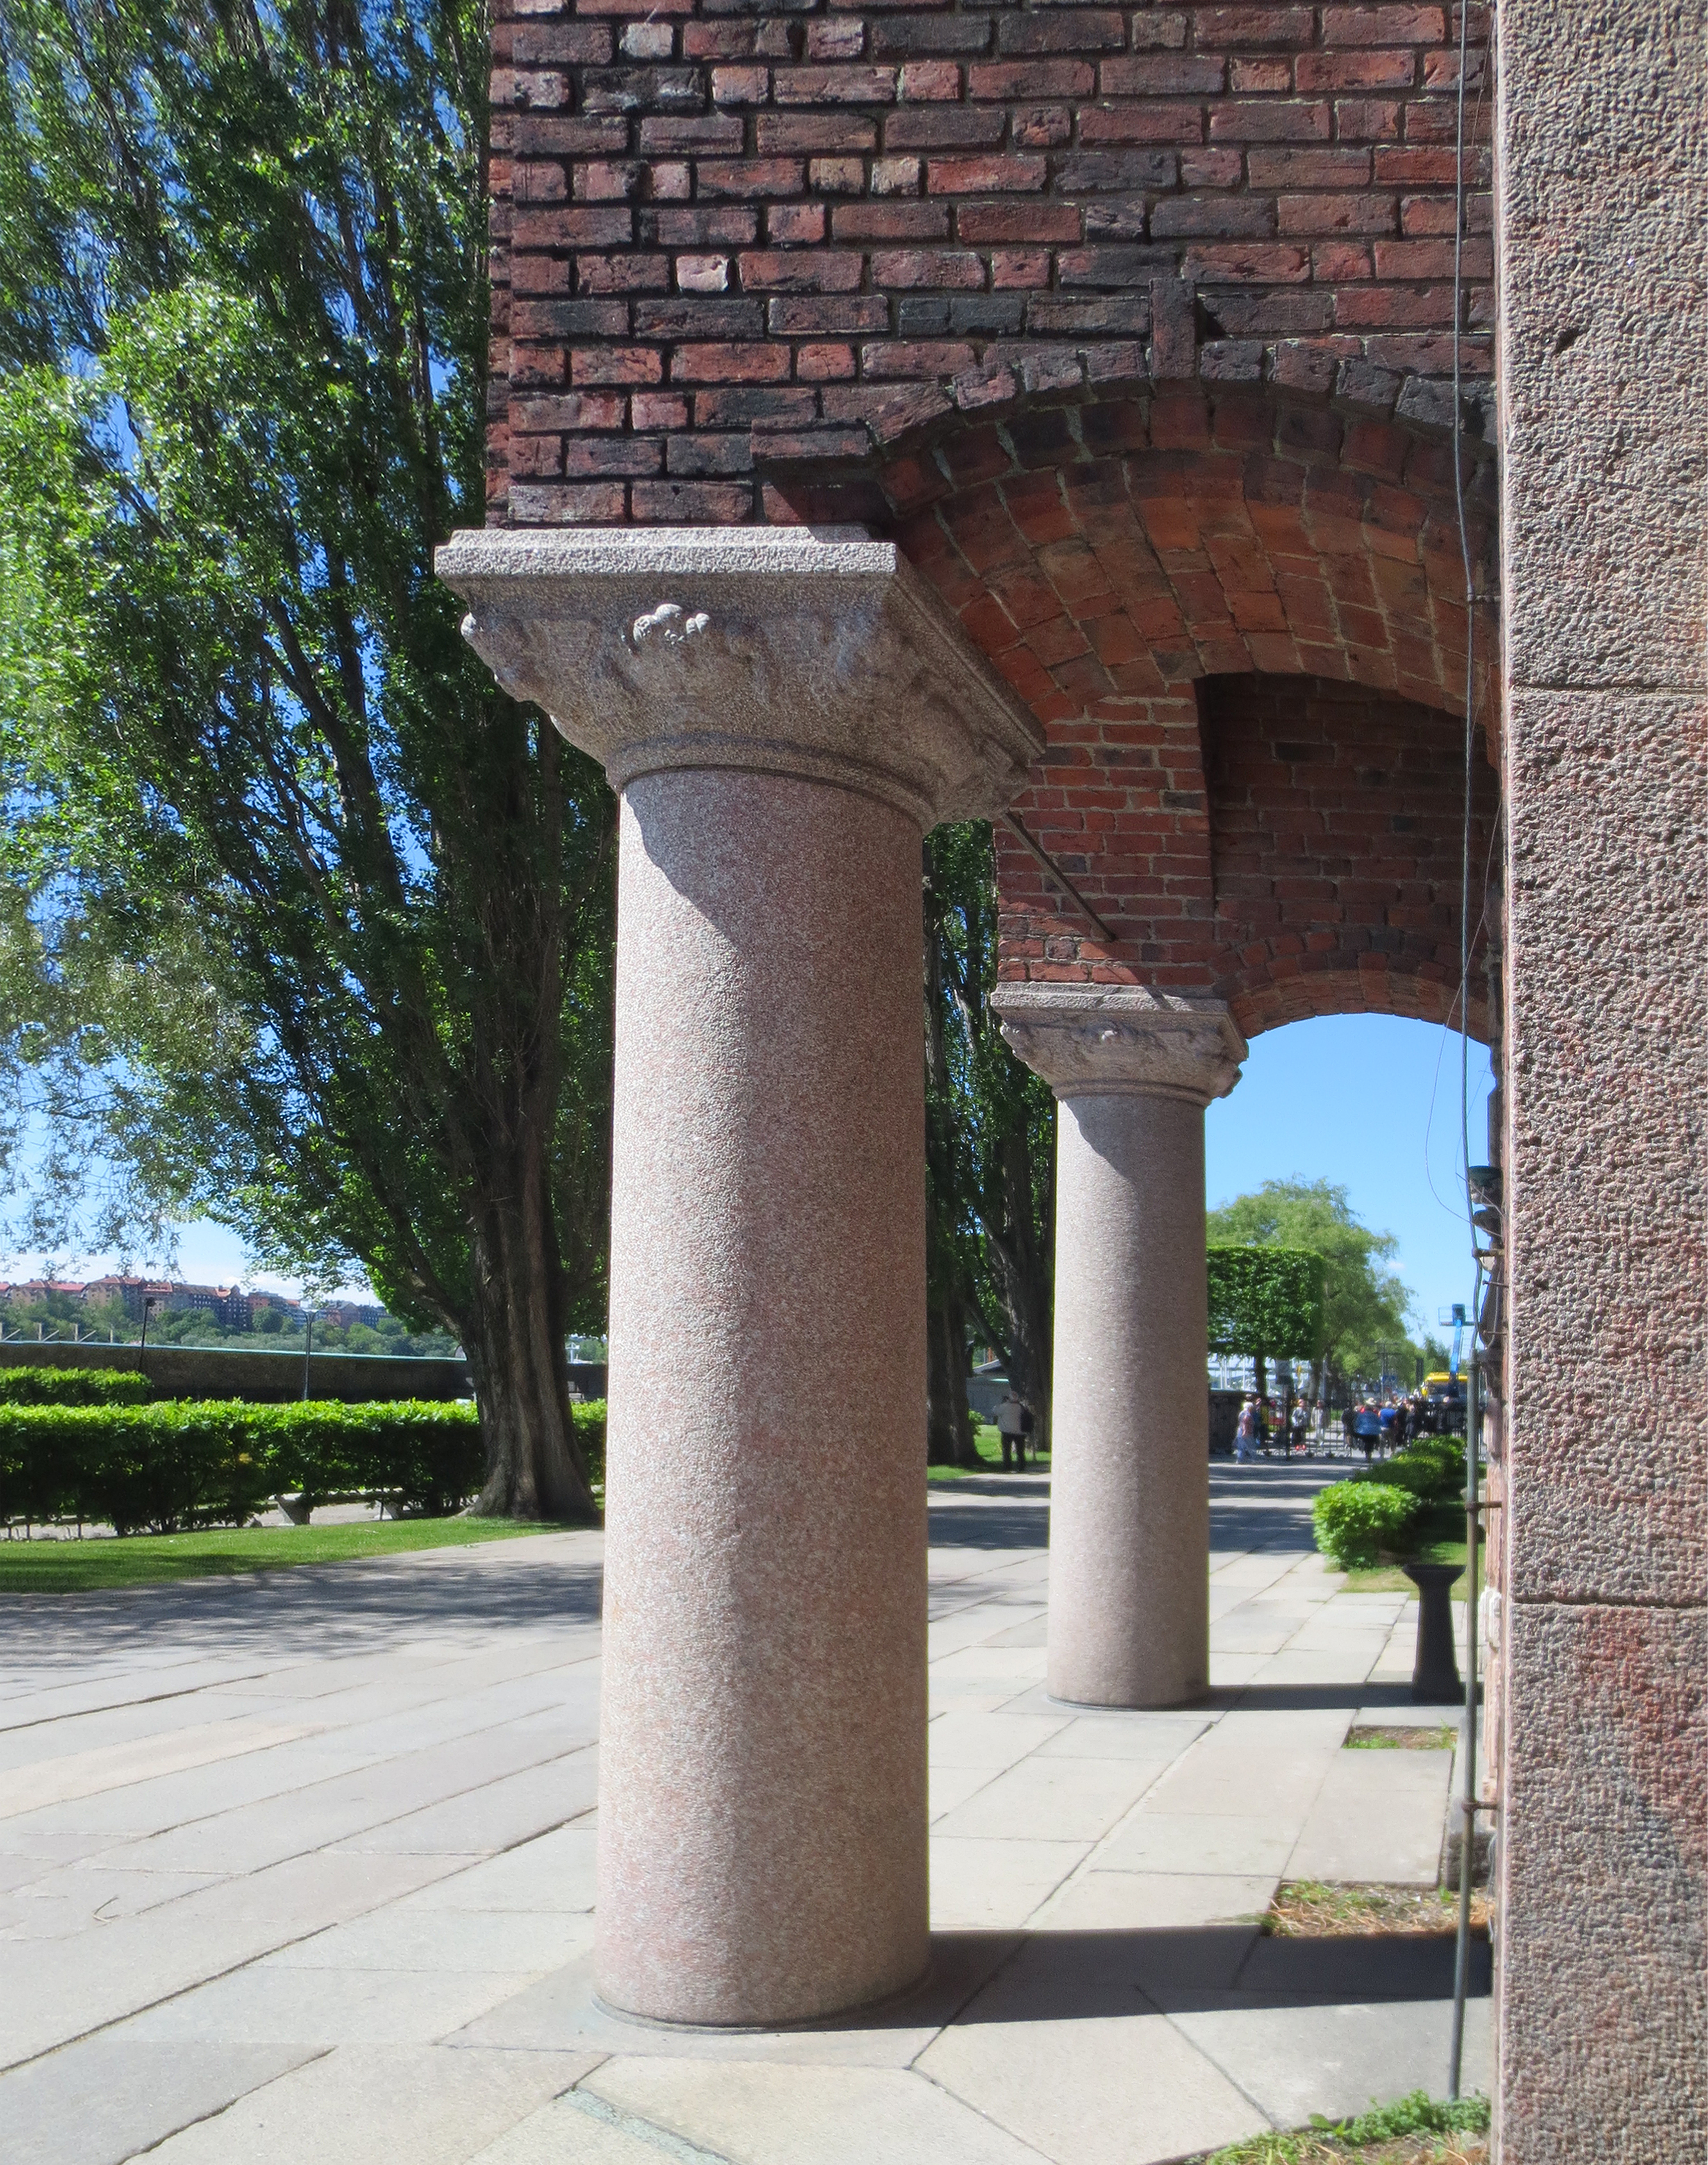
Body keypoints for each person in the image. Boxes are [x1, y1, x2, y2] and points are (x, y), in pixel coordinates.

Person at [994, 1387, 1027, 1471]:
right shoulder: (1021, 1407)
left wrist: (1002, 1402)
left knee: (1007, 1451)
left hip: (1007, 1431)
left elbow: (995, 1411)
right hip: (1020, 1432)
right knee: (1020, 1451)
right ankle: (1021, 1466)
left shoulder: (1005, 1407)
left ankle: (1007, 1467)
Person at [1234, 1396, 1259, 1462]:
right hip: (1246, 1431)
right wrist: (1245, 1431)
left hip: (1241, 1430)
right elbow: (1245, 1422)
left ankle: (1240, 1459)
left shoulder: (1242, 1413)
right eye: (1252, 1407)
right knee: (1251, 1446)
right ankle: (1254, 1459)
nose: (1253, 1409)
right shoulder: (1247, 1414)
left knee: (1241, 1446)